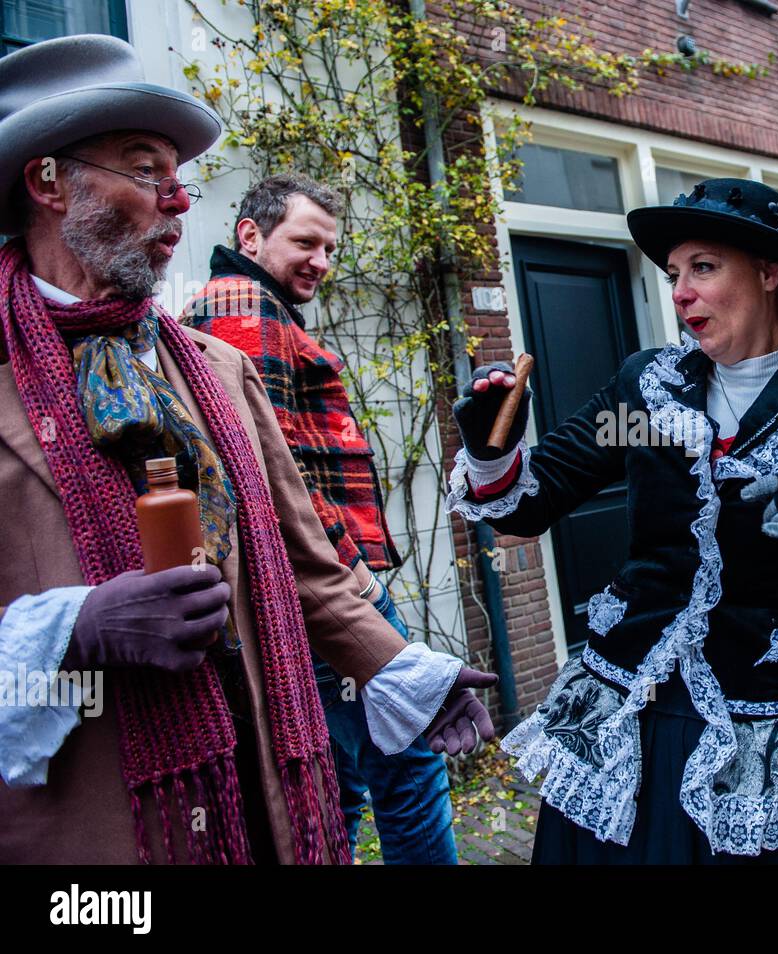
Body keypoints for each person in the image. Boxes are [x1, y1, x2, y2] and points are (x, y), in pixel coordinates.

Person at [0, 34, 495, 864]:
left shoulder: (218, 371)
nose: (179, 200)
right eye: (144, 168)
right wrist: (73, 628)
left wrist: (401, 669)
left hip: (260, 788)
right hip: (96, 830)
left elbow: (304, 565)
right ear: (48, 181)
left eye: (179, 175)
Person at [444, 177, 778, 863]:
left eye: (703, 268)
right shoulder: (648, 382)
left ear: (769, 272)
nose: (681, 292)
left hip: (776, 720)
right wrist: (491, 451)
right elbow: (536, 497)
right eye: (672, 275)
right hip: (631, 705)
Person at [182, 173, 458, 864]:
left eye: (330, 248)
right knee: (411, 752)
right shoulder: (243, 304)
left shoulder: (251, 305)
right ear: (250, 235)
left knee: (339, 777)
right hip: (326, 579)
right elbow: (272, 476)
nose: (322, 262)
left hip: (303, 581)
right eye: (305, 241)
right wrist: (355, 581)